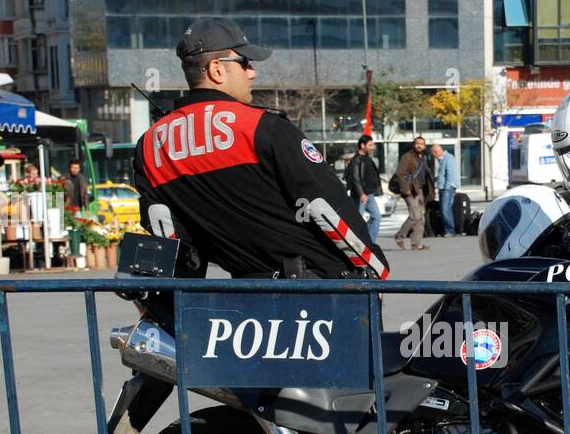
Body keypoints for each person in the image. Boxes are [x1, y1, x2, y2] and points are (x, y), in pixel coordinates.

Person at [131, 17, 388, 280]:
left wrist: (181, 296)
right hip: (320, 293)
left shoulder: (151, 147)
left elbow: (167, 231)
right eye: (245, 62)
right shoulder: (261, 127)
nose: (252, 72)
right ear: (217, 70)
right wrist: (375, 267)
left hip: (245, 296)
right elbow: (323, 203)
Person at [393, 136, 431, 251]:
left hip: (420, 190)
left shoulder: (423, 158)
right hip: (410, 190)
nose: (419, 145)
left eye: (421, 144)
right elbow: (400, 173)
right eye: (417, 143)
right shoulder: (408, 157)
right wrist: (406, 190)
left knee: (420, 218)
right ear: (414, 145)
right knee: (415, 215)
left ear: (424, 146)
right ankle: (400, 235)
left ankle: (417, 244)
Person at [344, 134, 382, 243]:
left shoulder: (368, 159)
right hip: (360, 196)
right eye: (370, 145)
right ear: (362, 145)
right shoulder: (356, 160)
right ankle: (353, 243)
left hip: (369, 194)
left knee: (377, 217)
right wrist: (361, 193)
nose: (372, 147)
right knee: (358, 221)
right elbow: (355, 178)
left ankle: (370, 243)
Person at [431, 143, 461, 237]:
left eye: (433, 154)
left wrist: (447, 187)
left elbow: (450, 173)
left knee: (445, 209)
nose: (433, 157)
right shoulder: (443, 159)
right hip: (443, 187)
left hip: (447, 187)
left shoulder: (448, 158)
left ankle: (450, 230)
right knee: (445, 208)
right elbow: (442, 174)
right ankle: (447, 229)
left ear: (437, 152)